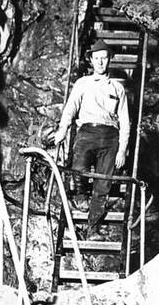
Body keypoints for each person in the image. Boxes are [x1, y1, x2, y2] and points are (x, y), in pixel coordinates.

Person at [48, 41, 131, 238]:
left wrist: (122, 149)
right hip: (86, 133)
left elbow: (125, 122)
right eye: (97, 58)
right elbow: (70, 109)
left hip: (110, 138)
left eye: (104, 58)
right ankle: (80, 197)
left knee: (103, 185)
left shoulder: (118, 88)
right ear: (91, 61)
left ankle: (93, 228)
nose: (100, 62)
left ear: (109, 59)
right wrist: (62, 129)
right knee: (78, 171)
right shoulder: (82, 83)